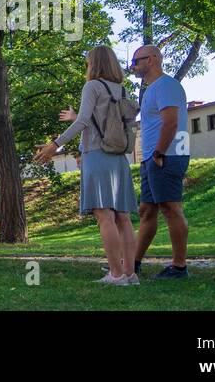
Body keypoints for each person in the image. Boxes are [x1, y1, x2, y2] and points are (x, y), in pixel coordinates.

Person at [35, 45, 139, 285]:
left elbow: (83, 122)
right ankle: (130, 273)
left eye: (88, 62)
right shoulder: (120, 89)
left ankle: (115, 274)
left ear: (94, 64)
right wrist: (76, 118)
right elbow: (101, 121)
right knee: (123, 217)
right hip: (119, 157)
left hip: (97, 155)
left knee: (105, 216)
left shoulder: (92, 86)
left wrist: (54, 145)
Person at [131, 43, 190, 279]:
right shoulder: (150, 90)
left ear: (152, 60)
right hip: (151, 158)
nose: (133, 66)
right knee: (146, 210)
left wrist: (158, 153)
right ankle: (133, 264)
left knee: (171, 208)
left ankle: (179, 267)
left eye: (137, 61)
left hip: (167, 156)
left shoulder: (167, 86)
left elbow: (171, 123)